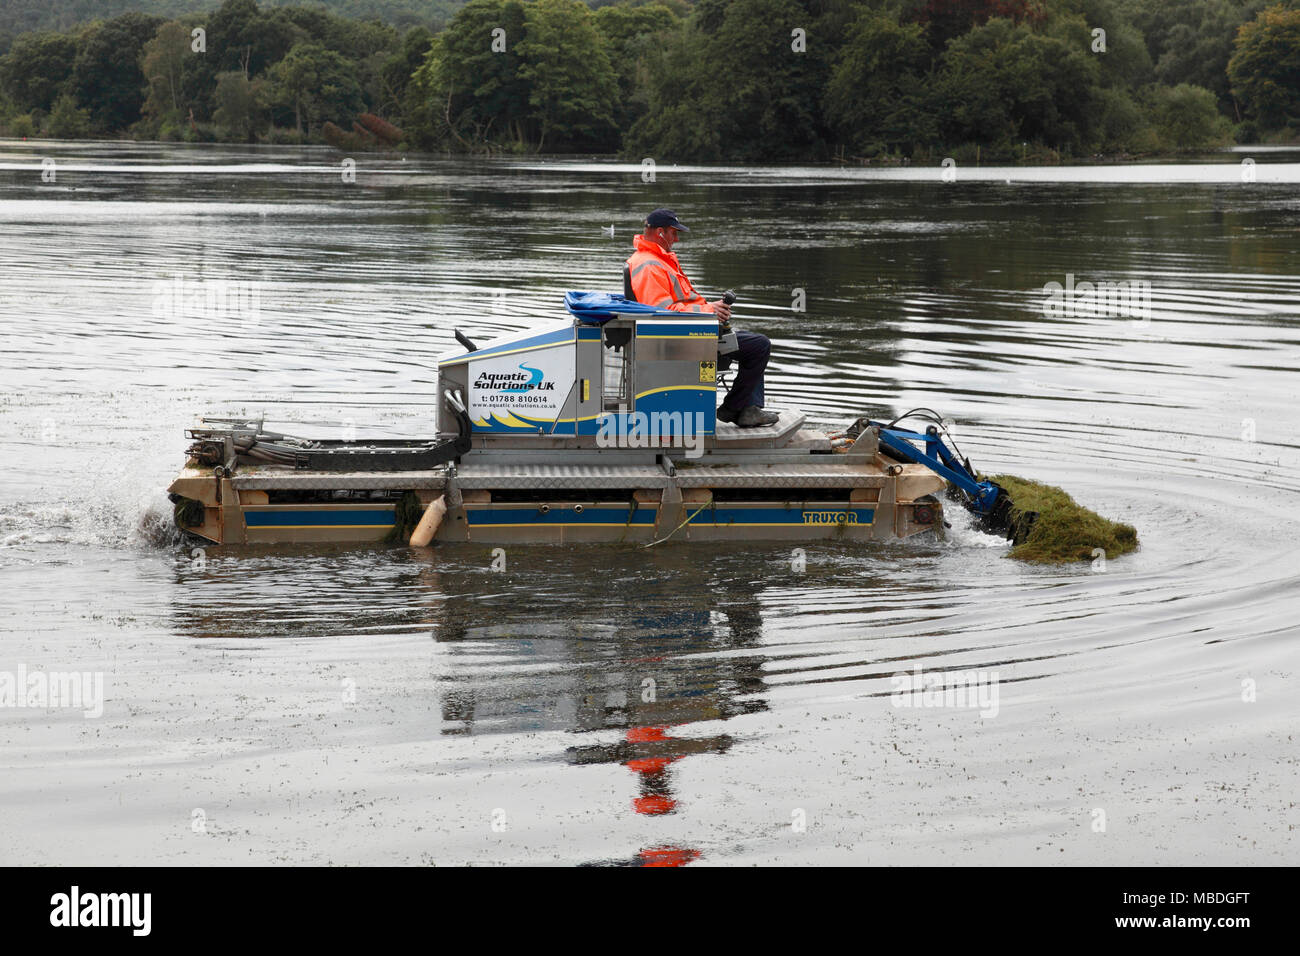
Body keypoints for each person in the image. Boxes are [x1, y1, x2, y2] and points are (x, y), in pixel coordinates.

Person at [625, 208, 778, 428]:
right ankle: (736, 409)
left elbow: (682, 302)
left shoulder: (656, 259)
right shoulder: (649, 265)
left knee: (749, 341)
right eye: (674, 233)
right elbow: (662, 312)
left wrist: (712, 309)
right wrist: (708, 312)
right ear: (660, 232)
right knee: (759, 346)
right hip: (682, 338)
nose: (676, 239)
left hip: (692, 330)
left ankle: (744, 409)